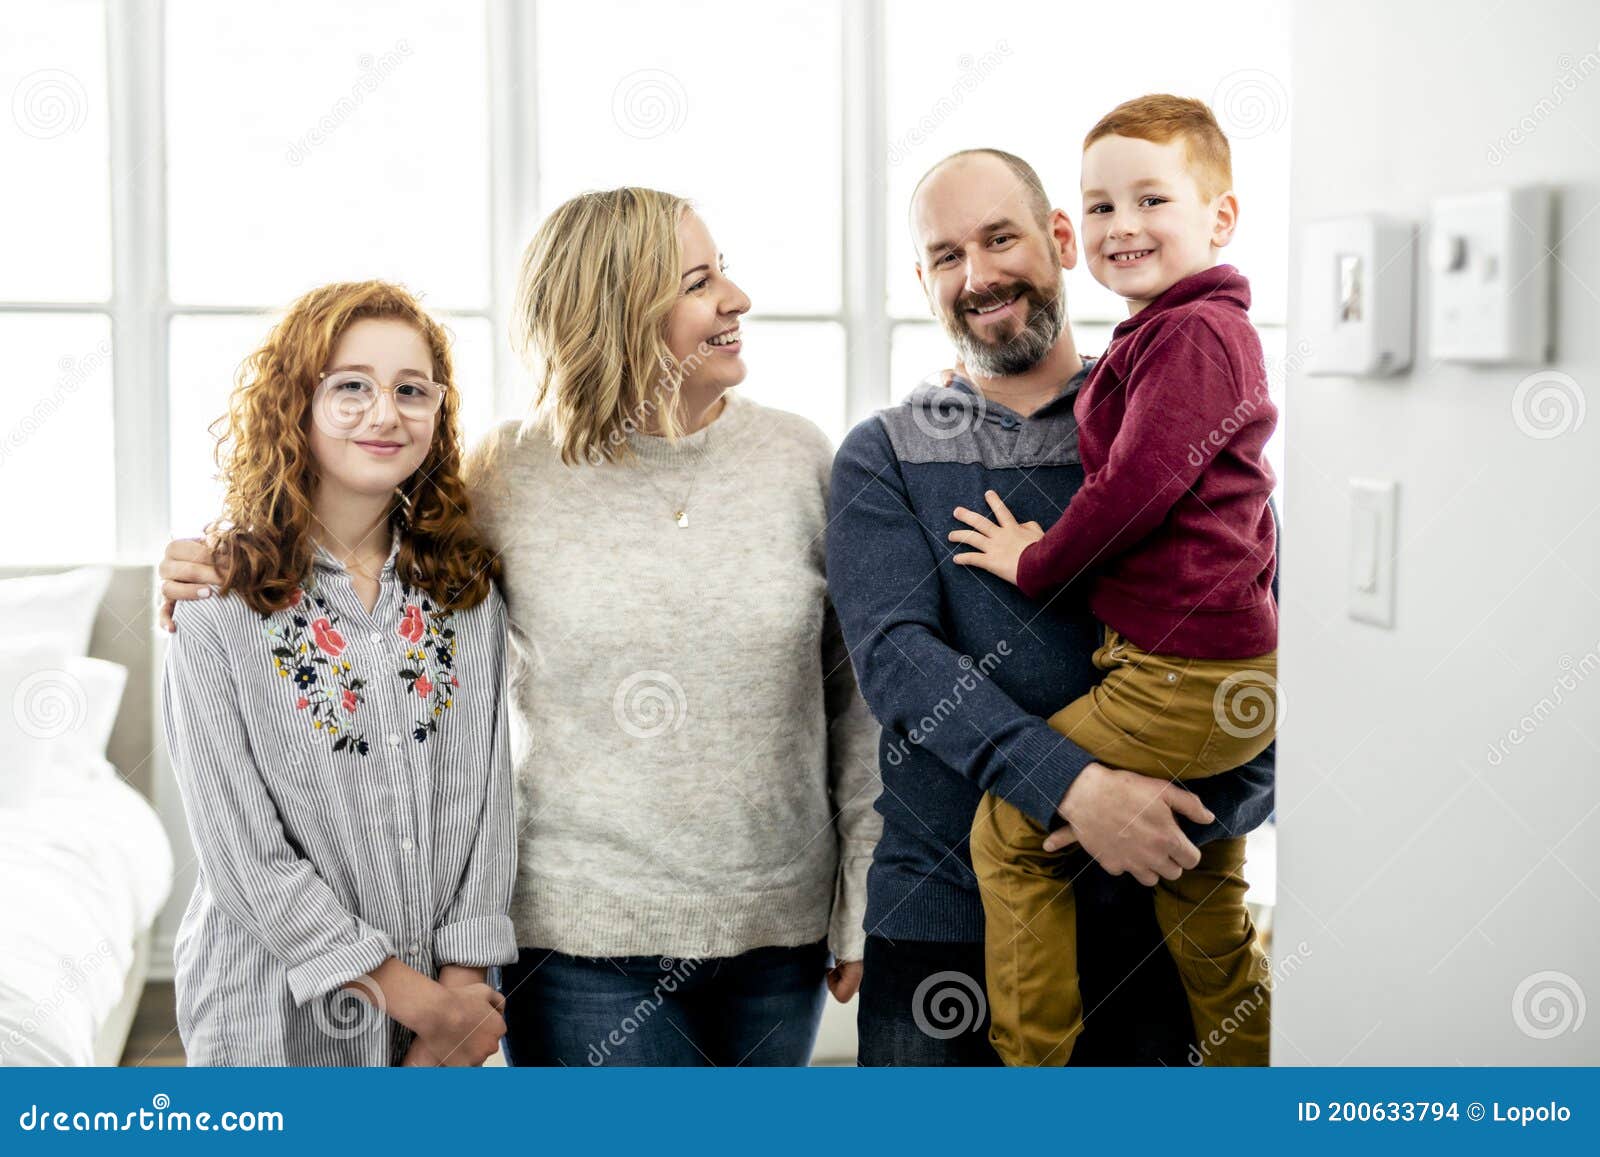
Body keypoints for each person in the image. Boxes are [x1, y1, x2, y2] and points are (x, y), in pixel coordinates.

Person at [160, 189, 882, 1067]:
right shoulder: (507, 473)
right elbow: (350, 507)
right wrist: (205, 565)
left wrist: (861, 892)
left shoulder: (801, 457)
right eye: (700, 282)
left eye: (408, 390)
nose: (737, 298)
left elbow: (854, 696)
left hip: (779, 934)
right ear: (617, 310)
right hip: (580, 942)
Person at [827, 146, 1277, 1066]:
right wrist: (1074, 788)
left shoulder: (1182, 417)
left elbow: (1267, 652)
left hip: (1153, 909)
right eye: (948, 256)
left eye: (1002, 239)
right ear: (924, 280)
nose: (979, 275)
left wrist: (1218, 808)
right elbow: (900, 661)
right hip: (946, 924)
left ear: (1063, 239)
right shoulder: (883, 454)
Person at [950, 96, 1278, 1066]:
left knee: (1009, 832)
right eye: (1098, 207)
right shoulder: (1169, 335)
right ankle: (1248, 1074)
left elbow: (1137, 483)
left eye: (1150, 199)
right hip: (1220, 674)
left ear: (1219, 217)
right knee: (1202, 888)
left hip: (1176, 675)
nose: (1121, 225)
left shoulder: (1193, 336)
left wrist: (1035, 559)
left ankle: (1036, 1076)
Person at [162, 281, 515, 1066]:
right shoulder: (217, 601)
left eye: (411, 390)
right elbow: (243, 855)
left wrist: (457, 1003)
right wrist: (426, 1006)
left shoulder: (466, 593)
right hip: (271, 1015)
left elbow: (487, 807)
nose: (385, 413)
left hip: (438, 1006)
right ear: (297, 403)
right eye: (351, 385)